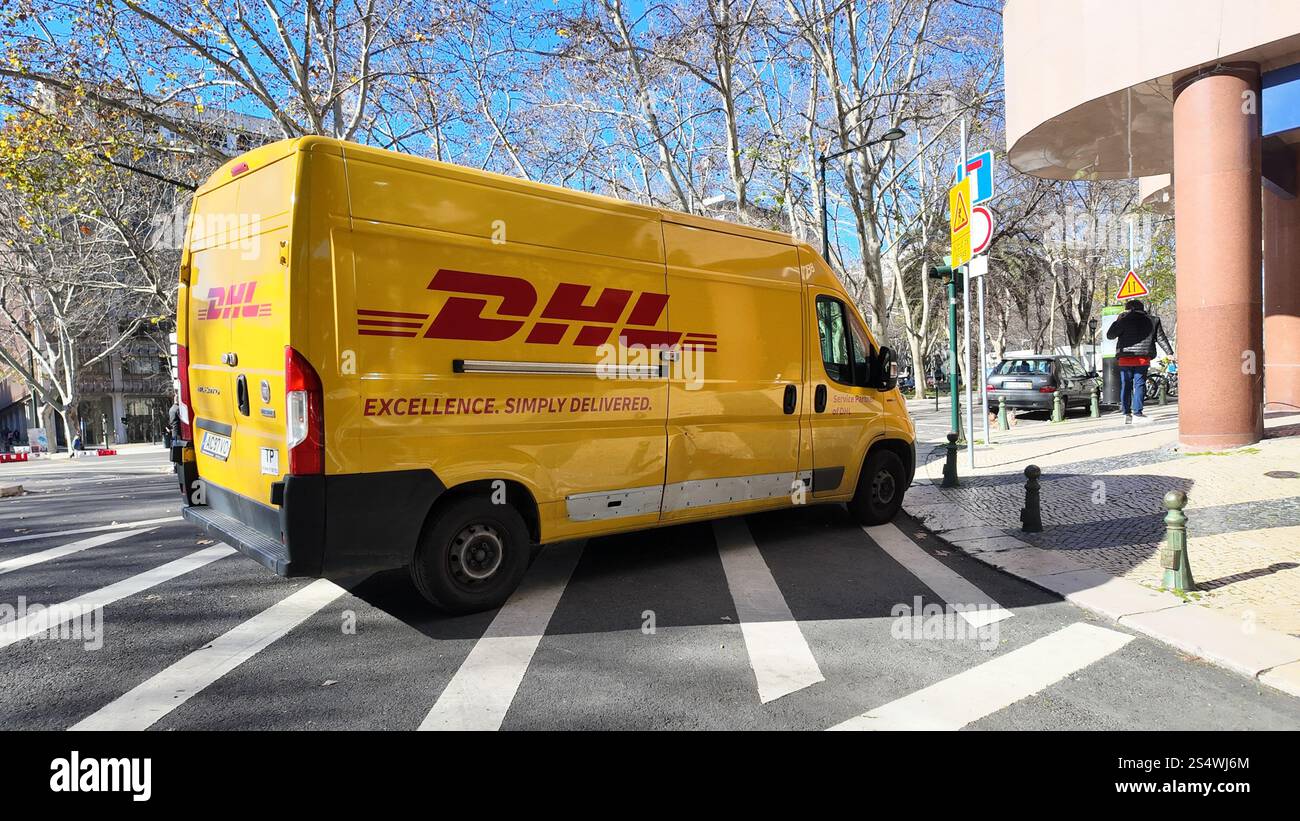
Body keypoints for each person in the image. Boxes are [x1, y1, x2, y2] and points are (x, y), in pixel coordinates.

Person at [1105, 299, 1174, 423]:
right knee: (1140, 384)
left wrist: (1119, 320)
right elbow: (1161, 338)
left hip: (1125, 358)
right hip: (1143, 358)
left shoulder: (1123, 320)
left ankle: (1126, 413)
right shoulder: (1153, 320)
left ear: (1128, 309)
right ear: (1142, 308)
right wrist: (1169, 353)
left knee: (1126, 385)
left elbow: (1110, 335)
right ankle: (1138, 413)